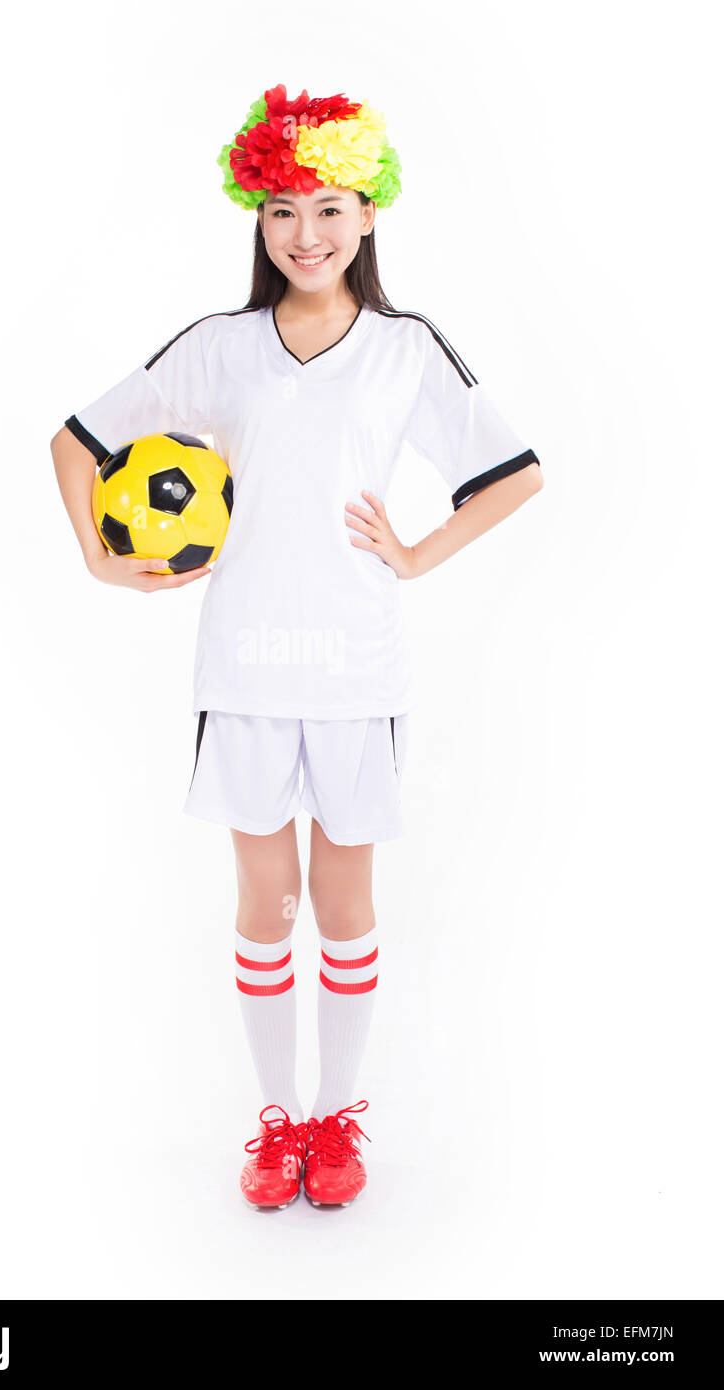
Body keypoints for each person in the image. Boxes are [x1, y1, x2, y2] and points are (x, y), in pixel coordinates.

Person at [50, 83, 543, 1213]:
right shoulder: (219, 348)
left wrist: (414, 553)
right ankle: (274, 1125)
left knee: (346, 904)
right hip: (245, 671)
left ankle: (336, 1121)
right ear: (254, 221)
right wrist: (93, 556)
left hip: (356, 670)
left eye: (328, 206)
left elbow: (514, 471)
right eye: (280, 211)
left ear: (368, 214)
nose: (305, 234)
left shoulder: (405, 349)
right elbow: (75, 443)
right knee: (265, 904)